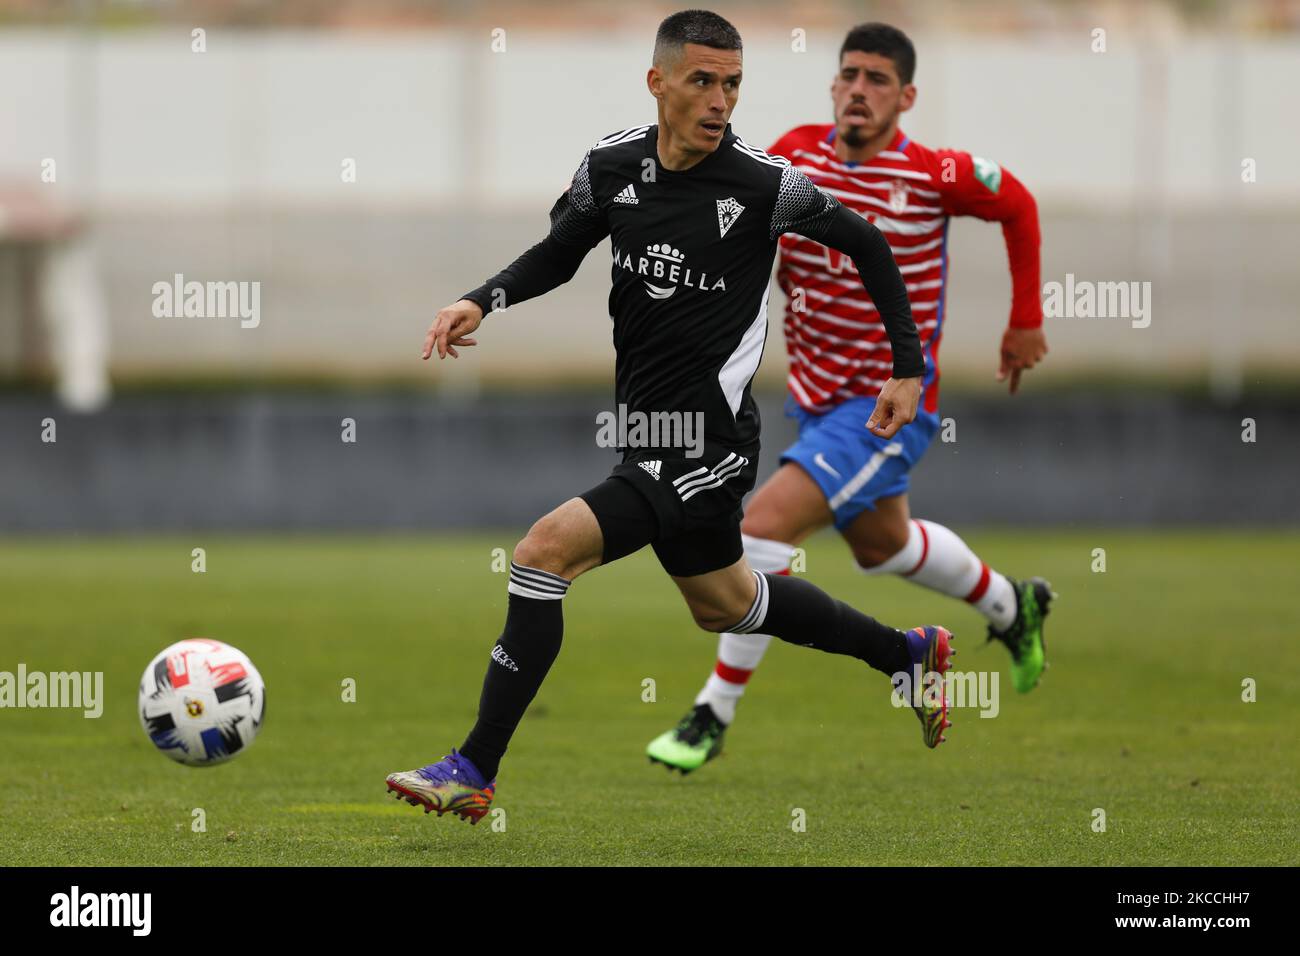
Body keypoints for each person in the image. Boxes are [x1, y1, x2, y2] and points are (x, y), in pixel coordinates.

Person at [384, 10, 955, 824]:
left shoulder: (767, 185)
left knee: (545, 551)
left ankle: (475, 766)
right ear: (658, 83)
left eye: (732, 85)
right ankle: (907, 652)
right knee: (726, 603)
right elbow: (559, 250)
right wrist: (483, 299)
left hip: (707, 443)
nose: (719, 101)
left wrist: (908, 366)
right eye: (702, 82)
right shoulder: (611, 167)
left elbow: (867, 243)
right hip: (645, 435)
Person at [647, 22, 1053, 774]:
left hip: (888, 408)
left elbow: (1019, 204)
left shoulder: (936, 174)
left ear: (906, 96)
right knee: (884, 545)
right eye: (849, 75)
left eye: (877, 79)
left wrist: (1025, 318)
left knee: (761, 529)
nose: (859, 90)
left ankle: (712, 712)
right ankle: (1011, 606)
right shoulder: (793, 155)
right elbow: (737, 224)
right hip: (816, 398)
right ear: (833, 86)